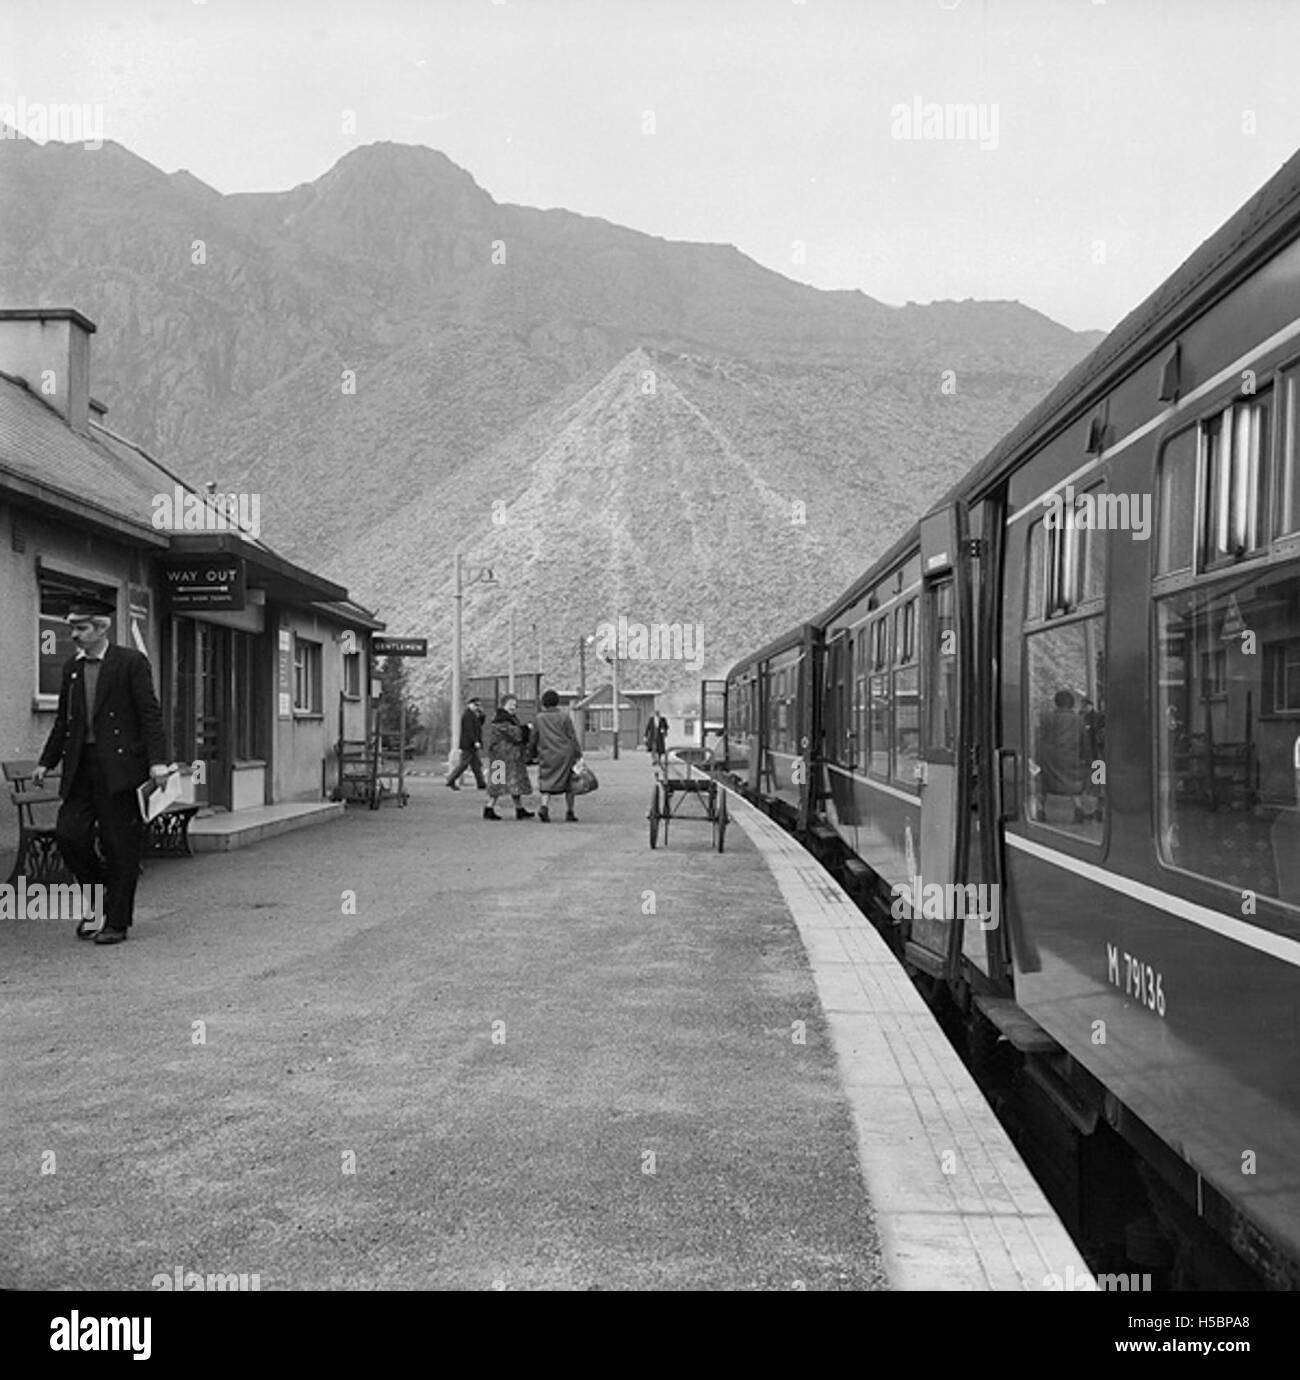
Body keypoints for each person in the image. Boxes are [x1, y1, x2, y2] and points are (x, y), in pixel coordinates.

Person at [32, 597, 170, 944]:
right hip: (82, 769)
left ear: (101, 628)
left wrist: (158, 762)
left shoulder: (130, 663)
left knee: (119, 845)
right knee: (69, 835)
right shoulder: (72, 669)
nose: (74, 635)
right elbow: (64, 722)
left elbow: (149, 715)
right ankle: (100, 899)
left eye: (81, 628)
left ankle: (115, 921)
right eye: (72, 628)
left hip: (121, 769)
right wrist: (46, 761)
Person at [483, 694, 535, 820]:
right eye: (511, 704)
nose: (513, 707)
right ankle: (489, 808)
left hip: (509, 757)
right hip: (501, 757)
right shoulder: (501, 720)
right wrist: (526, 728)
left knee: (514, 784)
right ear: (503, 705)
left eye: (515, 705)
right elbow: (515, 734)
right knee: (499, 783)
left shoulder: (507, 718)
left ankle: (519, 809)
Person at [534, 689, 582, 823]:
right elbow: (571, 736)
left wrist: (530, 753)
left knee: (546, 781)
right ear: (557, 702)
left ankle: (544, 807)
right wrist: (578, 753)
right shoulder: (565, 716)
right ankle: (570, 811)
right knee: (569, 783)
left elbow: (534, 737)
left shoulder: (539, 718)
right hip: (565, 754)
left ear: (543, 703)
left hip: (547, 753)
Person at [446, 696, 487, 790]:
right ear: (470, 705)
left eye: (479, 705)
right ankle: (450, 779)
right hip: (468, 744)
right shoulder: (467, 715)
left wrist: (482, 714)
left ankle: (481, 784)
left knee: (476, 765)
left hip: (472, 745)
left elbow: (480, 724)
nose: (477, 707)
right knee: (464, 764)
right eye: (475, 705)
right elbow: (469, 730)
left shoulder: (474, 715)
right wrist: (475, 741)